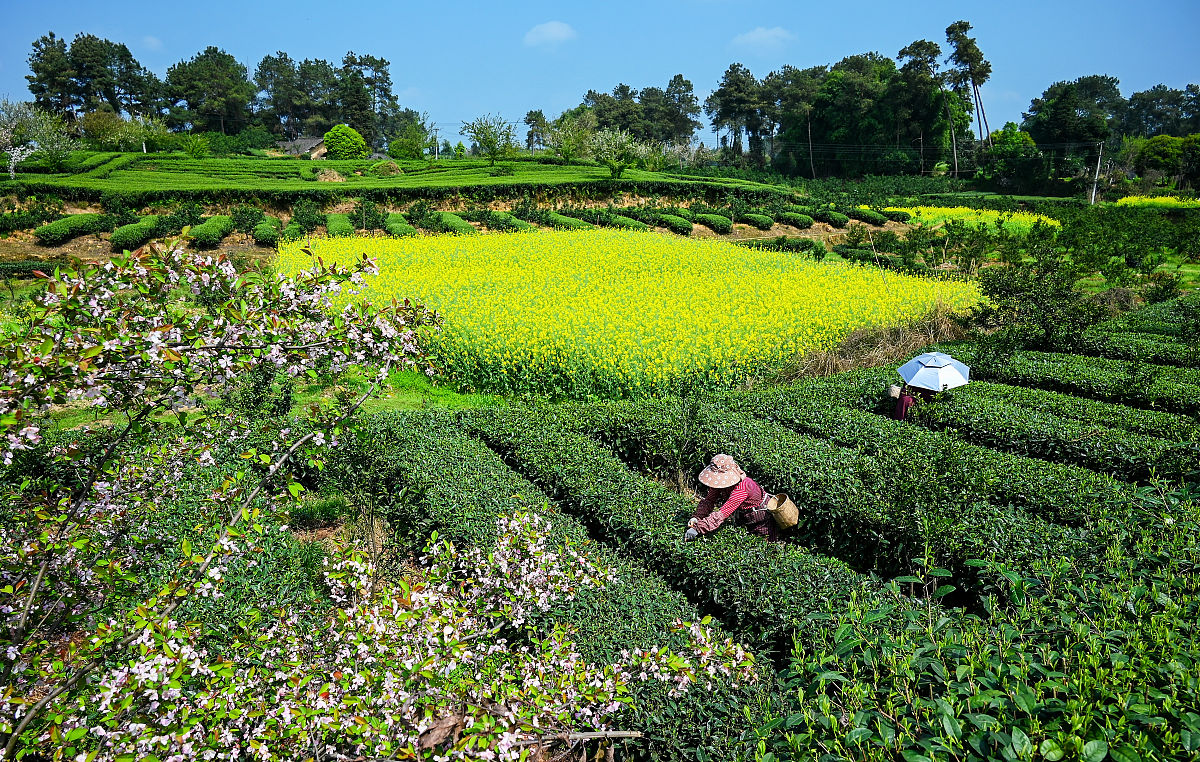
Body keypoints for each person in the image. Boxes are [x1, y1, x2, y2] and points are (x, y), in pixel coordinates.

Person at [684, 454, 780, 542]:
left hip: (761, 519)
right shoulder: (719, 483)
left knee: (764, 543)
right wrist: (696, 518)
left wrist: (698, 528)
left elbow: (722, 514)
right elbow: (709, 501)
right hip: (743, 515)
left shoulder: (743, 488)